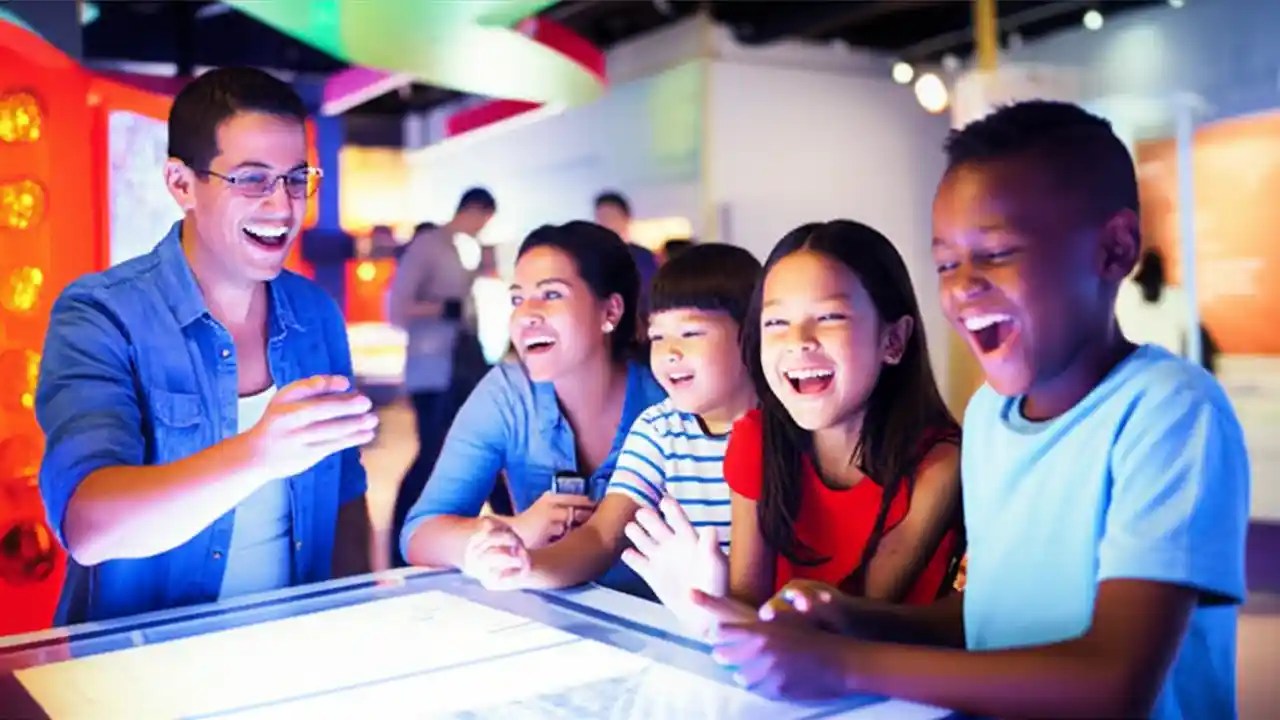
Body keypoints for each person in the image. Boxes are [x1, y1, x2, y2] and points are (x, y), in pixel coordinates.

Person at [702, 102, 1249, 720]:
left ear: (1114, 250)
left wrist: (845, 662)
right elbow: (990, 616)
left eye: (996, 253)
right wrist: (851, 617)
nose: (961, 287)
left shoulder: (1171, 413)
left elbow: (1113, 681)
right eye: (945, 263)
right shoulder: (989, 417)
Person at [35, 67, 376, 625]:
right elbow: (89, 526)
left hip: (294, 653)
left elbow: (345, 490)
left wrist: (355, 620)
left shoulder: (315, 315)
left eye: (296, 179)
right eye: (251, 179)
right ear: (181, 184)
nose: (282, 206)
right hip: (141, 672)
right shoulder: (101, 314)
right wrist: (259, 453)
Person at [627, 221, 964, 633]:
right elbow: (747, 603)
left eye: (829, 316)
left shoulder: (937, 465)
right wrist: (709, 599)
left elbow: (852, 626)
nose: (798, 341)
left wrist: (727, 614)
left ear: (893, 340)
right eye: (776, 323)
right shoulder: (756, 438)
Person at [454, 243, 761, 604]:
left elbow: (752, 594)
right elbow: (601, 536)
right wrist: (528, 566)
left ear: (752, 335)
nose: (670, 352)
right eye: (658, 336)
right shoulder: (659, 430)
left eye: (691, 334)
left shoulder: (784, 430)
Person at [400, 221, 667, 595]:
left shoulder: (666, 398)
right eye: (516, 299)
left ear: (610, 311)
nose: (526, 315)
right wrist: (510, 533)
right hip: (551, 620)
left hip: (661, 628)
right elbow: (418, 533)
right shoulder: (507, 395)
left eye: (551, 294)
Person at [387, 193, 495, 567]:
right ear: (474, 212)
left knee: (473, 449)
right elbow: (396, 309)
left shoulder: (461, 249)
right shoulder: (429, 246)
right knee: (432, 453)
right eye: (483, 219)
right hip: (433, 370)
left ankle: (434, 539)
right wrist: (442, 308)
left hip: (463, 363)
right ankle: (405, 543)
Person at [595, 191, 659, 318]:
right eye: (601, 218)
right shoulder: (594, 257)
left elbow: (650, 294)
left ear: (626, 218)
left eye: (610, 217)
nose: (605, 223)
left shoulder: (643, 257)